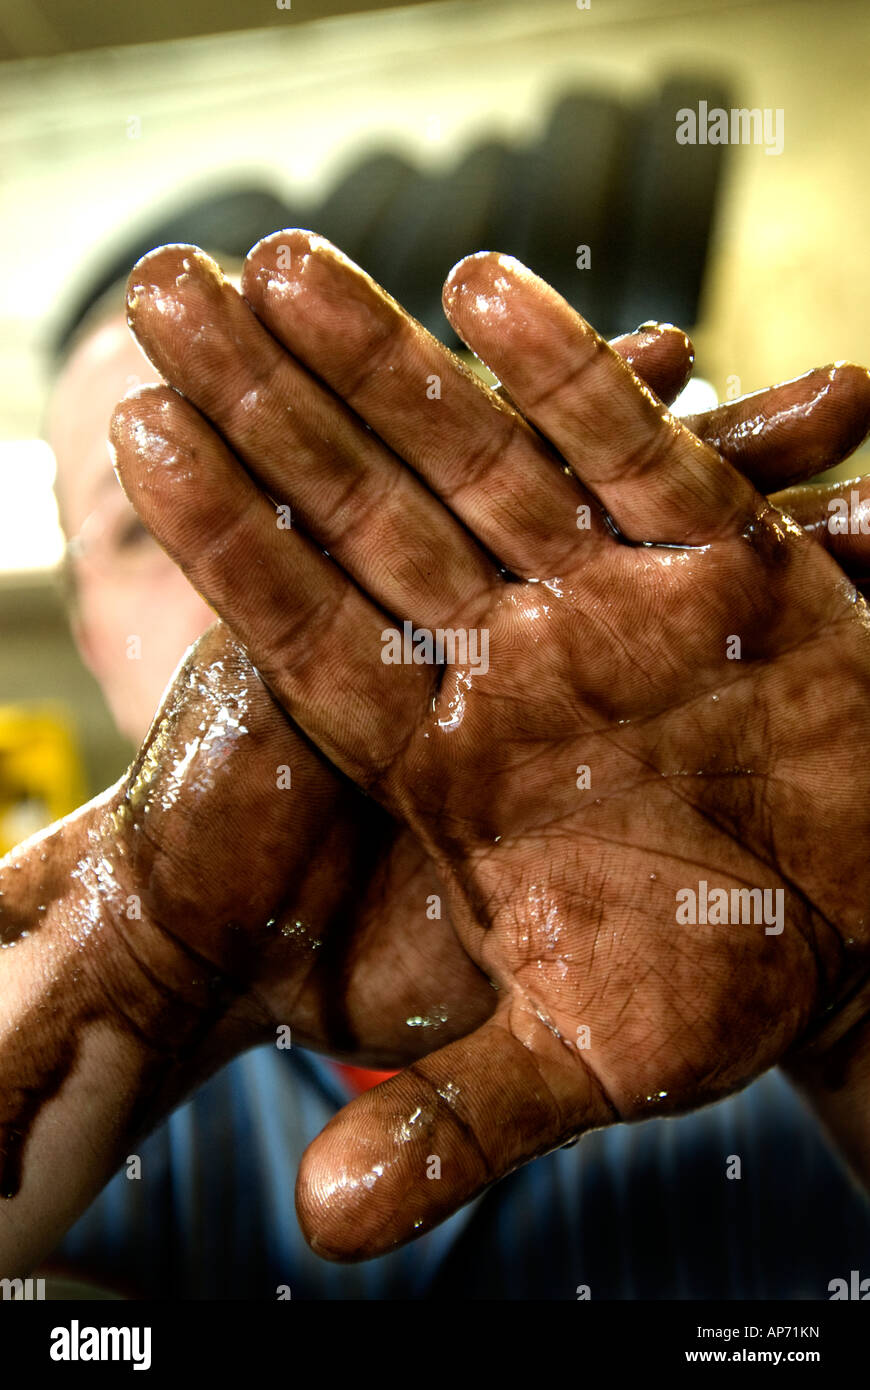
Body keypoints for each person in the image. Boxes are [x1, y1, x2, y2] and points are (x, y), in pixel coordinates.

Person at [2, 229, 869, 1297]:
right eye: (140, 525)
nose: (248, 567)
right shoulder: (117, 1151)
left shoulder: (758, 944)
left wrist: (853, 1014)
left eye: (294, 480)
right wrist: (130, 941)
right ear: (89, 633)